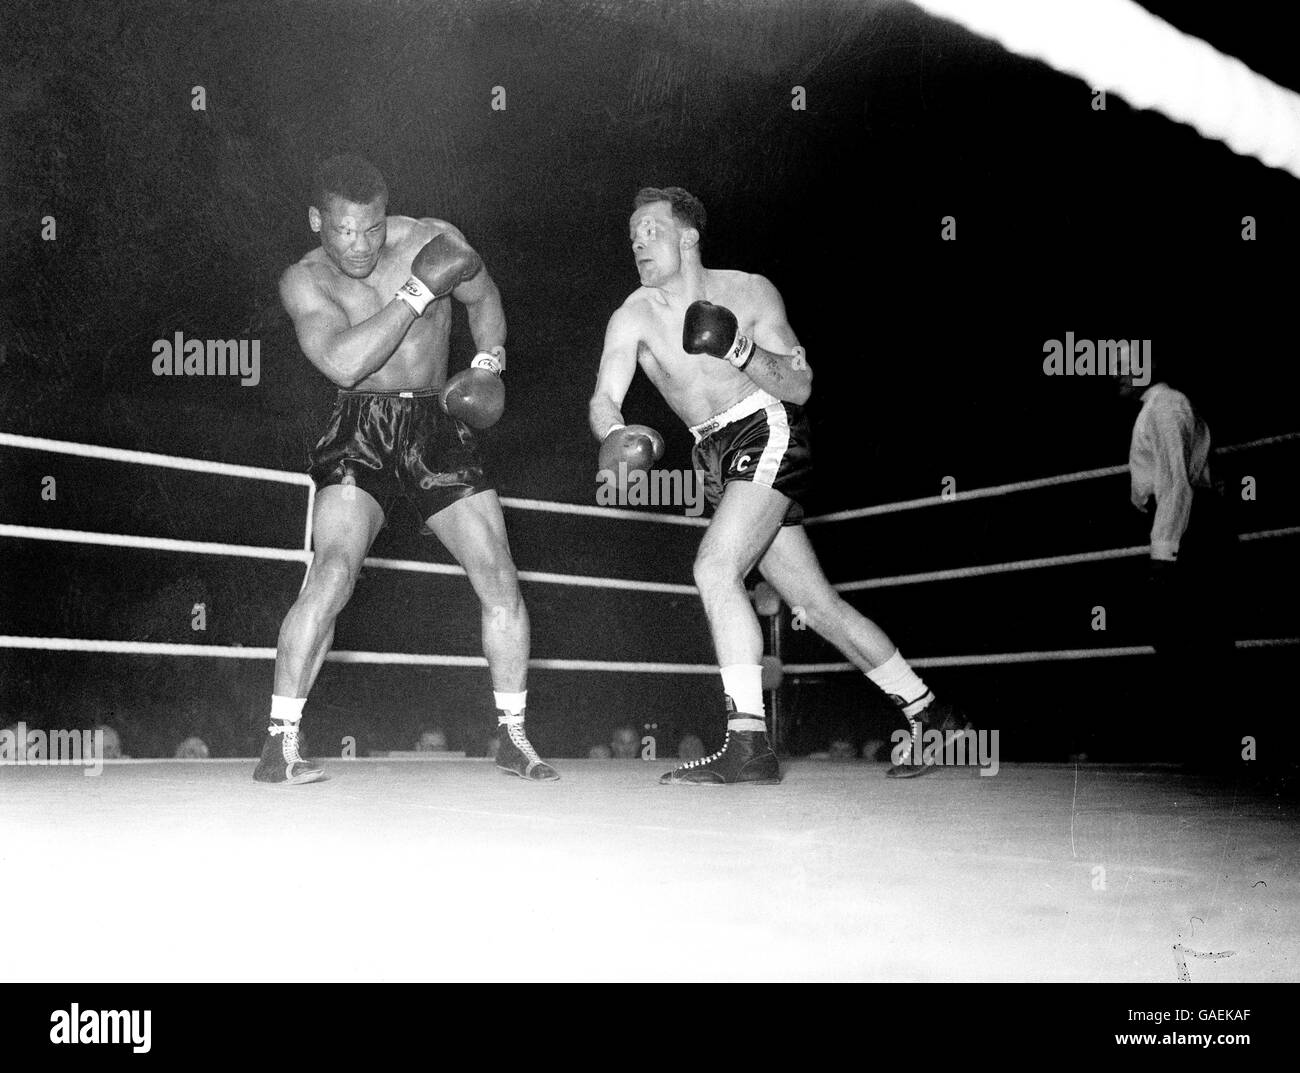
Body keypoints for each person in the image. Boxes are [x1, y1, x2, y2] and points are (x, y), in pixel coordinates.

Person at [590, 187, 967, 784]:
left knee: (715, 568)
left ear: (688, 237)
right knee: (817, 607)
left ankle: (747, 742)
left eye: (651, 229)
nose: (637, 241)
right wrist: (613, 434)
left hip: (766, 427)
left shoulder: (750, 291)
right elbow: (605, 396)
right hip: (713, 454)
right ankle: (933, 713)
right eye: (632, 232)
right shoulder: (632, 314)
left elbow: (801, 385)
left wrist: (737, 347)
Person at [260, 153, 557, 785]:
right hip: (359, 425)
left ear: (386, 215)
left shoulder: (431, 238)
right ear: (317, 220)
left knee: (498, 570)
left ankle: (512, 734)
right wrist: (418, 291)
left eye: (371, 229)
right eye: (342, 231)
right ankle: (279, 741)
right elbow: (343, 363)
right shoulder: (303, 280)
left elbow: (485, 298)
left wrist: (489, 363)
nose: (360, 245)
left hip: (434, 425)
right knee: (334, 569)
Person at [1114, 356, 1235, 765]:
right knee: (1185, 636)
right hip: (1186, 525)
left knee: (1187, 636)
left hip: (1186, 528)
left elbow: (1177, 484)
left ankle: (1207, 750)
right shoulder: (1157, 407)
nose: (1116, 376)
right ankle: (1203, 748)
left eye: (1123, 366)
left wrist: (1163, 554)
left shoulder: (1167, 406)